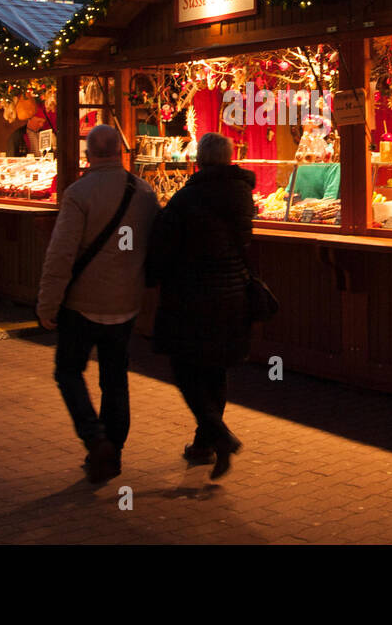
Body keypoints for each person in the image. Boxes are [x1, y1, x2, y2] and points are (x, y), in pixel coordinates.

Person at [36, 124, 159, 484]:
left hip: (82, 304)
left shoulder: (78, 193)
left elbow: (61, 254)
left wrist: (47, 304)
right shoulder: (145, 193)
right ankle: (113, 453)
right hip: (126, 303)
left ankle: (94, 438)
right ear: (121, 153)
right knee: (115, 380)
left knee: (68, 371)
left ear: (89, 155)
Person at [147, 132, 257, 479]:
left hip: (193, 296)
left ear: (199, 161)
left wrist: (151, 276)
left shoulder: (187, 199)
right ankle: (205, 442)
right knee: (216, 368)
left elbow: (163, 248)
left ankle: (218, 436)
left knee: (184, 369)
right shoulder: (242, 194)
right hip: (233, 293)